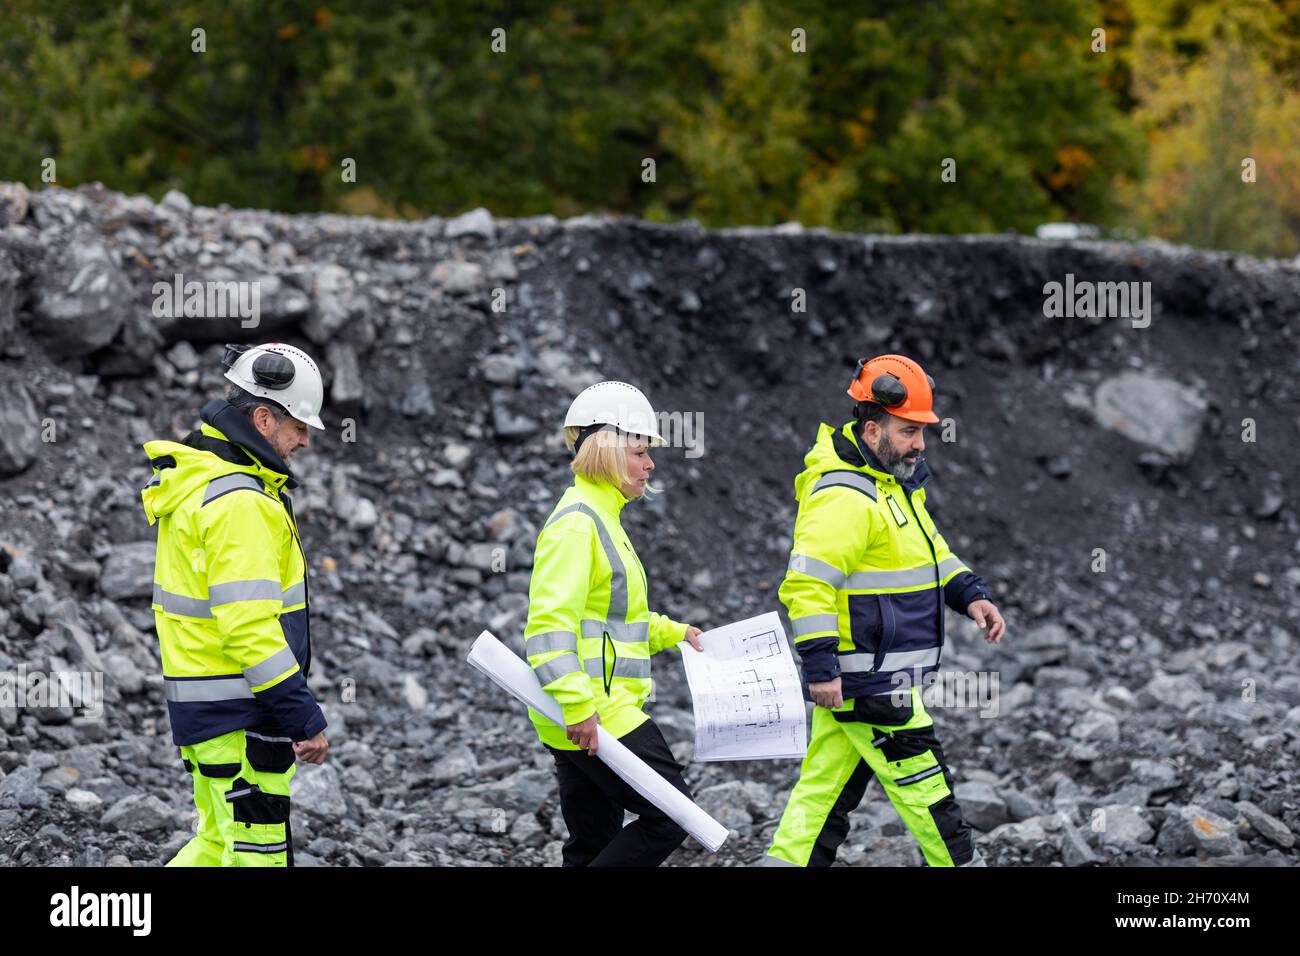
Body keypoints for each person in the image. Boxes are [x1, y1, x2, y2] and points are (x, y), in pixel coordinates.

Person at [764, 354, 1007, 867]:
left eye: (922, 432)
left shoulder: (893, 485)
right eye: (908, 432)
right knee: (932, 800)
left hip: (871, 679)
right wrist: (820, 667)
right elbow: (806, 586)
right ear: (872, 430)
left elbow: (930, 550)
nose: (920, 444)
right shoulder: (845, 498)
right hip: (872, 683)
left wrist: (970, 592)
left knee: (821, 799)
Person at [141, 342, 330, 867]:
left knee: (215, 846)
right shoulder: (241, 502)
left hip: (209, 717)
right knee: (257, 858)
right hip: (244, 718)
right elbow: (248, 627)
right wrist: (301, 715)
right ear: (265, 418)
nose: (305, 441)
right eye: (299, 426)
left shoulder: (201, 482)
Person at [524, 380, 705, 867]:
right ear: (606, 450)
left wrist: (674, 633)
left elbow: (614, 618)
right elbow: (548, 627)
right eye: (640, 451)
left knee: (594, 845)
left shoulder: (601, 518)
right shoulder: (579, 524)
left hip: (583, 711)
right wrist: (581, 704)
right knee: (672, 816)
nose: (650, 465)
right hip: (597, 711)